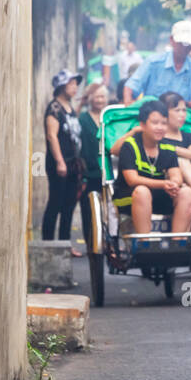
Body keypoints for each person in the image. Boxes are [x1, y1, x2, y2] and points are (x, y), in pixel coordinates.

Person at [110, 99, 191, 235]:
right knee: (142, 191)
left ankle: (178, 244)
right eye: (155, 123)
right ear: (143, 125)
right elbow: (132, 180)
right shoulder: (130, 145)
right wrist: (163, 184)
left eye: (163, 123)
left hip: (159, 196)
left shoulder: (167, 146)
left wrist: (174, 184)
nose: (160, 127)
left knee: (187, 192)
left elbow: (176, 175)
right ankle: (144, 244)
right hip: (130, 197)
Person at [42, 69, 84, 247]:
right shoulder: (54, 108)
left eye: (75, 83)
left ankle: (65, 244)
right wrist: (60, 162)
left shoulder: (69, 108)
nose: (75, 87)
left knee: (68, 206)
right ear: (61, 86)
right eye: (71, 84)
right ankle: (49, 244)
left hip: (73, 164)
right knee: (55, 203)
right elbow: (52, 136)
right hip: (60, 164)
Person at [124, 20, 191, 109]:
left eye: (189, 44)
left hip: (181, 118)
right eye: (181, 43)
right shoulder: (153, 63)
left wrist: (176, 105)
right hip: (153, 118)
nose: (185, 47)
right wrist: (129, 106)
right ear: (171, 40)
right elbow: (131, 86)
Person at [77, 82, 110, 247]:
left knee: (108, 209)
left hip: (108, 172)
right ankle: (92, 243)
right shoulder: (83, 118)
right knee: (88, 209)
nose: (100, 100)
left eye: (103, 96)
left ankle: (107, 242)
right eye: (96, 96)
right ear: (90, 98)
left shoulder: (110, 117)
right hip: (88, 172)